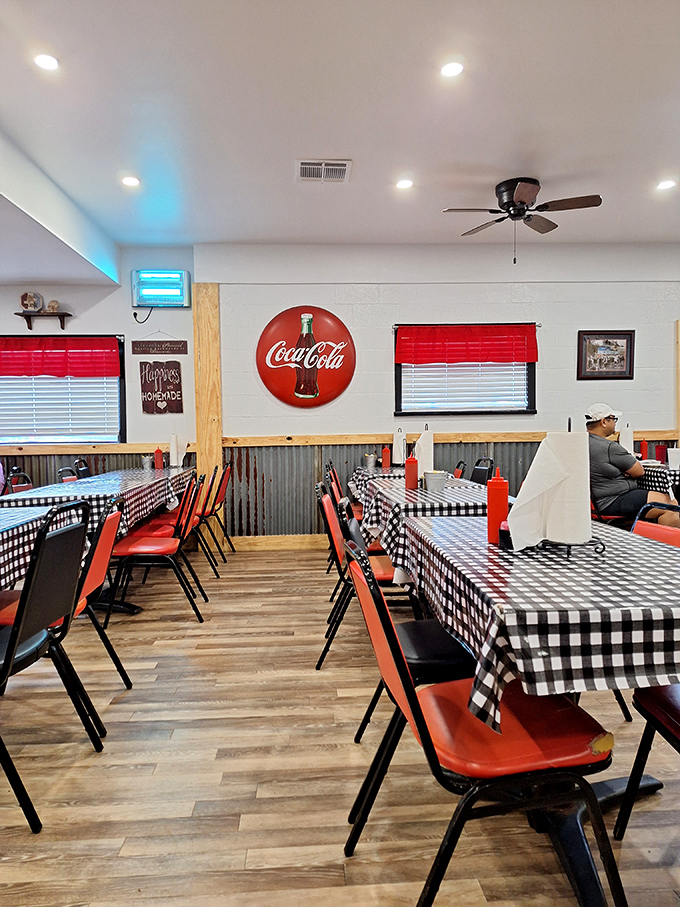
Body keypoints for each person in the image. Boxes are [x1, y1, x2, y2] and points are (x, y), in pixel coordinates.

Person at [586, 403, 680, 526]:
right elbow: (639, 471)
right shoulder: (609, 447)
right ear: (604, 422)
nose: (615, 423)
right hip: (613, 499)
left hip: (593, 503)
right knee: (671, 505)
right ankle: (666, 544)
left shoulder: (581, 443)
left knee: (667, 505)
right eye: (613, 419)